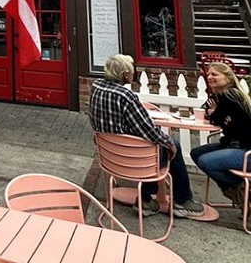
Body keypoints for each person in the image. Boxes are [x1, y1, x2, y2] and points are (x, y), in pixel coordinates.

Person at [89, 53, 204, 218]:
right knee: (172, 145)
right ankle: (182, 200)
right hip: (132, 157)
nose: (133, 74)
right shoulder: (126, 96)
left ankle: (146, 198)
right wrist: (168, 142)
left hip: (110, 156)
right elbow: (146, 128)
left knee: (151, 147)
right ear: (125, 75)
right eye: (132, 71)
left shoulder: (96, 86)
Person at [191, 62, 251, 209]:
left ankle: (240, 189)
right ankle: (240, 191)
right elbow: (207, 112)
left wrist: (217, 114)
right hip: (231, 144)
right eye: (208, 74)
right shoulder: (218, 96)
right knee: (196, 153)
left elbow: (217, 118)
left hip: (246, 150)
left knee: (206, 161)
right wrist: (218, 115)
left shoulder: (231, 94)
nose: (210, 77)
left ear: (228, 78)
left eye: (215, 74)